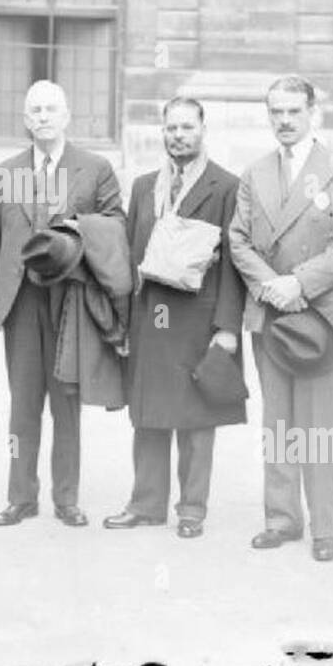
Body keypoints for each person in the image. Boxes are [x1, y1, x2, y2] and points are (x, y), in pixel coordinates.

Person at [228, 75, 333, 561]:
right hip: (271, 312)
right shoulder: (256, 173)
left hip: (321, 314)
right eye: (276, 112)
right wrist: (273, 284)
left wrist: (300, 283)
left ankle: (324, 527)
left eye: (294, 111)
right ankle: (282, 518)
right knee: (279, 423)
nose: (285, 121)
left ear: (313, 112)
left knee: (319, 428)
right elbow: (238, 240)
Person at [0, 79, 124, 528]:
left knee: (66, 404)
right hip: (21, 301)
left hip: (70, 298)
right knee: (22, 405)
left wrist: (75, 230)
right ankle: (20, 496)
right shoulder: (9, 171)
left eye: (50, 109)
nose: (42, 117)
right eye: (35, 110)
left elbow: (116, 225)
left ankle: (66, 498)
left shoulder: (94, 168)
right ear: (26, 119)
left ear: (66, 116)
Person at [103, 97, 245, 539]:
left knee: (196, 417)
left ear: (203, 130)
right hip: (151, 316)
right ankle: (146, 504)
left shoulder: (227, 187)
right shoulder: (145, 186)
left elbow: (235, 264)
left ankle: (192, 509)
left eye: (187, 127)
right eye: (171, 128)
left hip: (198, 318)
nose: (178, 136)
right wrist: (124, 323)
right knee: (148, 412)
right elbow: (131, 258)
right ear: (162, 132)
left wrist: (227, 327)